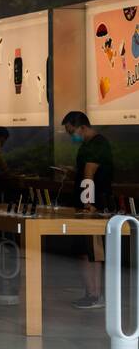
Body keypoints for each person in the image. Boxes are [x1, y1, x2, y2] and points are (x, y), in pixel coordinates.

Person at [62, 111, 113, 310]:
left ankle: (95, 294)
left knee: (93, 250)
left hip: (93, 205)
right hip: (84, 203)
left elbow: (90, 173)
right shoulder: (86, 145)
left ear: (82, 127)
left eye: (71, 131)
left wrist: (88, 201)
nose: (70, 136)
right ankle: (89, 291)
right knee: (83, 250)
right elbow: (84, 173)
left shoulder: (98, 144)